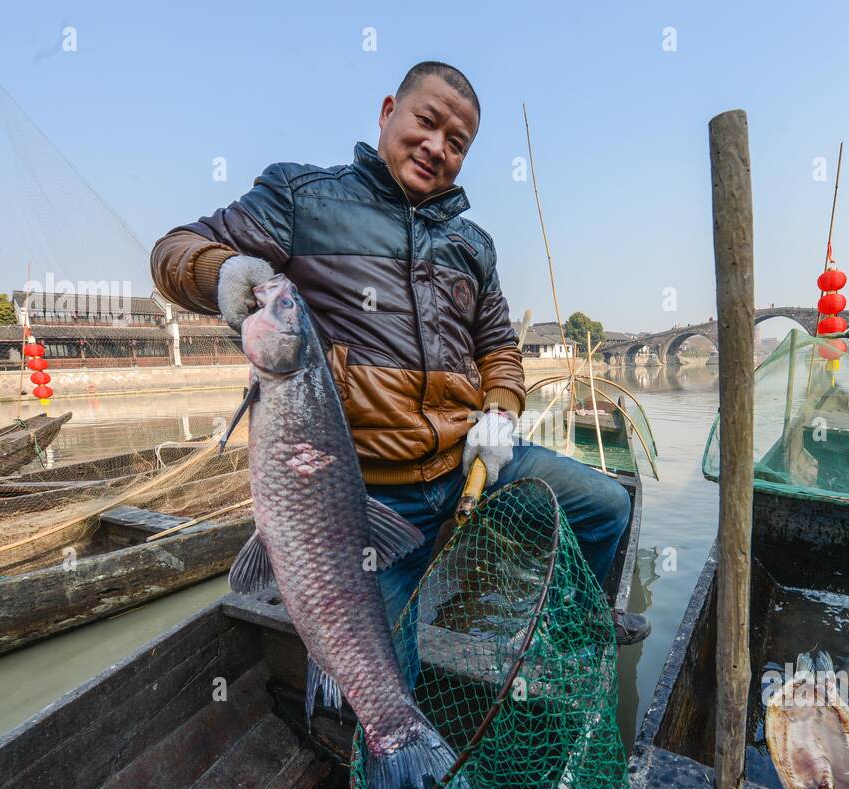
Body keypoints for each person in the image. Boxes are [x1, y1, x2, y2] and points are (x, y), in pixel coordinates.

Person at [150, 61, 648, 645]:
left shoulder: (473, 245)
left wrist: (501, 412)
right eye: (427, 123)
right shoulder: (301, 199)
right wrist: (223, 269)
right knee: (380, 671)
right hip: (367, 493)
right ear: (389, 112)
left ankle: (578, 615)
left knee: (607, 507)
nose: (437, 148)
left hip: (467, 463)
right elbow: (174, 250)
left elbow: (498, 348)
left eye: (457, 143)